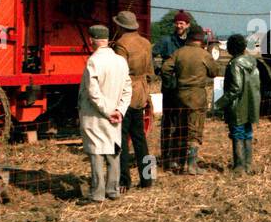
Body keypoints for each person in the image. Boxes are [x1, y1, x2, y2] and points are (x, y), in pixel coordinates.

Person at [79, 24, 132, 203]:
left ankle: (97, 193)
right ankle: (113, 190)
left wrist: (107, 111)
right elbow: (127, 89)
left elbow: (93, 92)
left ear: (91, 40)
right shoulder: (120, 61)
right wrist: (120, 111)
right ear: (108, 40)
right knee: (114, 150)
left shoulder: (93, 61)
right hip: (115, 116)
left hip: (95, 115)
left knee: (96, 152)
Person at [161, 26, 218, 174]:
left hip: (179, 95)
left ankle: (176, 162)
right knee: (195, 130)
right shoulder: (204, 55)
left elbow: (165, 69)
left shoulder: (178, 53)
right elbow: (214, 72)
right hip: (197, 96)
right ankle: (192, 165)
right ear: (201, 39)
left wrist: (170, 83)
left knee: (180, 128)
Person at [111, 10, 155, 190]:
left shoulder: (121, 44)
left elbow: (120, 71)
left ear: (120, 26)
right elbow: (151, 72)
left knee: (121, 139)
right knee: (140, 139)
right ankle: (148, 178)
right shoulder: (145, 42)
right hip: (142, 92)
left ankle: (124, 181)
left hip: (126, 93)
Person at [217, 34, 260, 173]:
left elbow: (236, 87)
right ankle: (248, 165)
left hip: (237, 106)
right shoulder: (252, 61)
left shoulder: (235, 63)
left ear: (231, 48)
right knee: (247, 133)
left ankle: (239, 167)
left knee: (237, 133)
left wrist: (219, 103)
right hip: (250, 105)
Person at [154, 10, 192, 169]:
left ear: (187, 25)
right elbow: (153, 55)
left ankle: (179, 156)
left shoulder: (190, 42)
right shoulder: (166, 41)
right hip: (170, 88)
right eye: (177, 23)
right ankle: (165, 157)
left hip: (185, 88)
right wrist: (158, 71)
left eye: (182, 23)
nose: (179, 26)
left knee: (183, 123)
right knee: (168, 123)